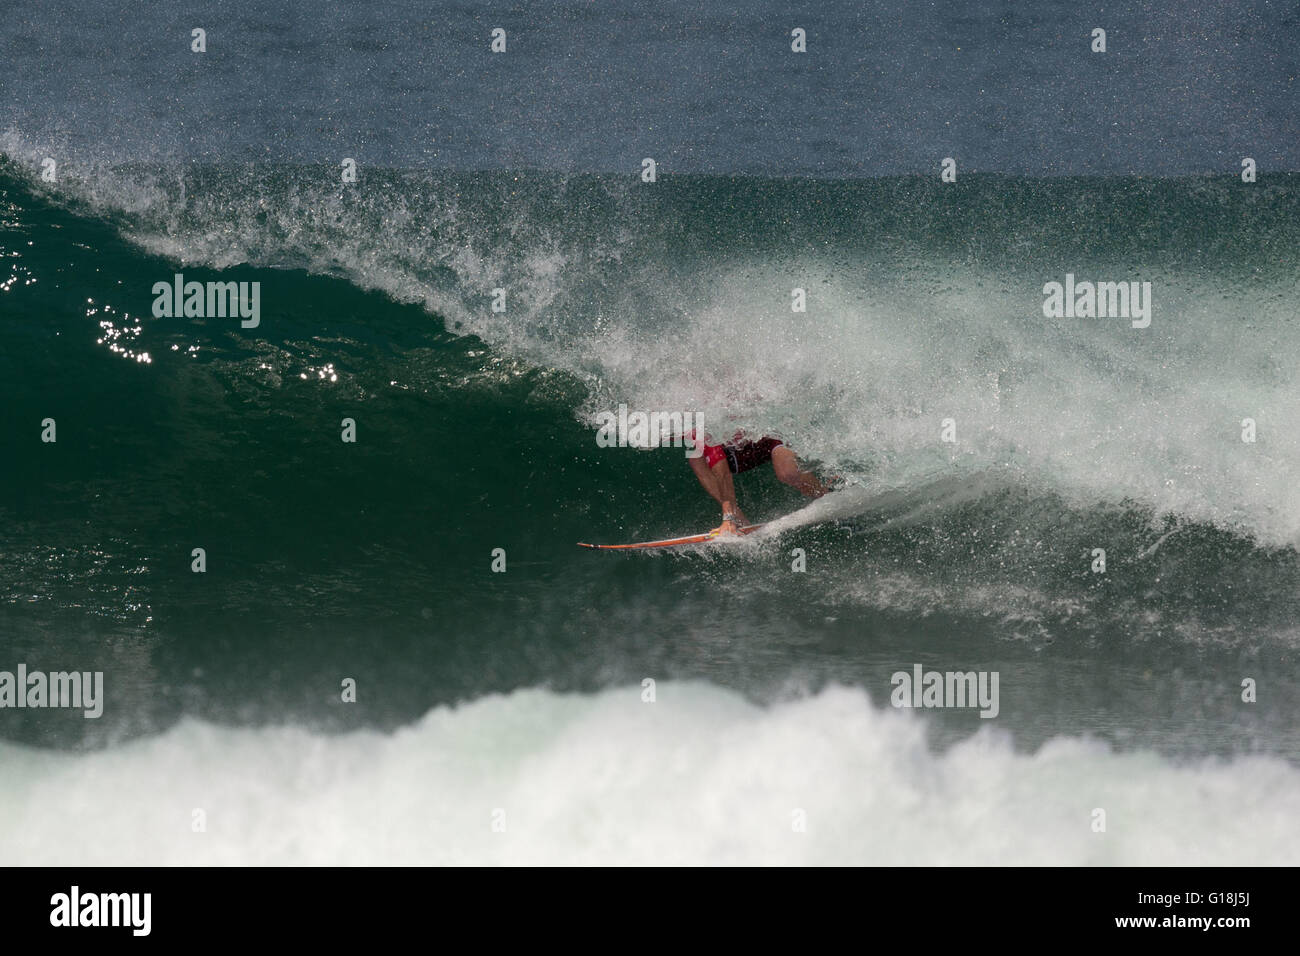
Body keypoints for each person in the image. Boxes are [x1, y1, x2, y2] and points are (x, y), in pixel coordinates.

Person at [686, 430, 832, 534]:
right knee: (695, 458)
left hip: (769, 439)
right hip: (740, 453)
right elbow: (721, 470)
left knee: (788, 473)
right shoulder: (695, 428)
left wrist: (727, 517)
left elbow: (723, 474)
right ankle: (740, 520)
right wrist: (729, 516)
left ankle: (826, 497)